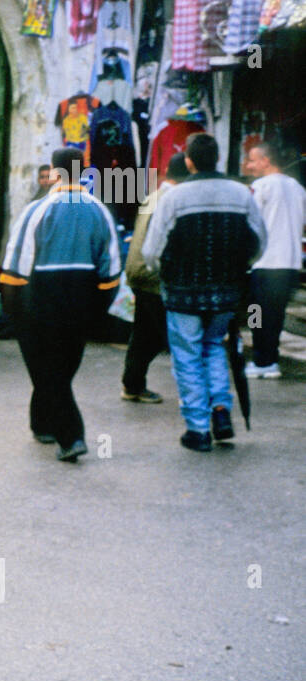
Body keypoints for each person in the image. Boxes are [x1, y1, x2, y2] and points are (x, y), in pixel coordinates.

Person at [142, 133, 265, 451]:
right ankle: (221, 412)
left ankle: (198, 429)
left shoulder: (174, 198)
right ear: (218, 158)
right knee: (213, 348)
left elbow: (151, 251)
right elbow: (259, 241)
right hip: (226, 293)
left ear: (189, 161)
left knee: (187, 356)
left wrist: (162, 273)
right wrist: (240, 266)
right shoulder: (241, 194)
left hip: (183, 293)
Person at [0, 147, 121, 462]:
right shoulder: (99, 211)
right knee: (60, 367)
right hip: (83, 302)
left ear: (53, 172)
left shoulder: (36, 210)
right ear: (84, 172)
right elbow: (111, 272)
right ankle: (42, 424)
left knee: (48, 369)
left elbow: (15, 268)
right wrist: (97, 308)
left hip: (40, 300)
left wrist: (13, 311)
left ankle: (71, 437)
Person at [120, 152, 187, 403]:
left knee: (144, 333)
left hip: (137, 270)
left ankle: (133, 385)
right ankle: (194, 395)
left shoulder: (154, 195)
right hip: (153, 274)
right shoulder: (173, 200)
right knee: (169, 337)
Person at [242, 140, 305, 379]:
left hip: (265, 263)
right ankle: (270, 359)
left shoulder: (261, 187)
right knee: (276, 315)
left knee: (256, 312)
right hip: (289, 264)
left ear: (265, 161)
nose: (248, 165)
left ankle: (261, 360)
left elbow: (250, 222)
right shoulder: (297, 188)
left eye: (252, 160)